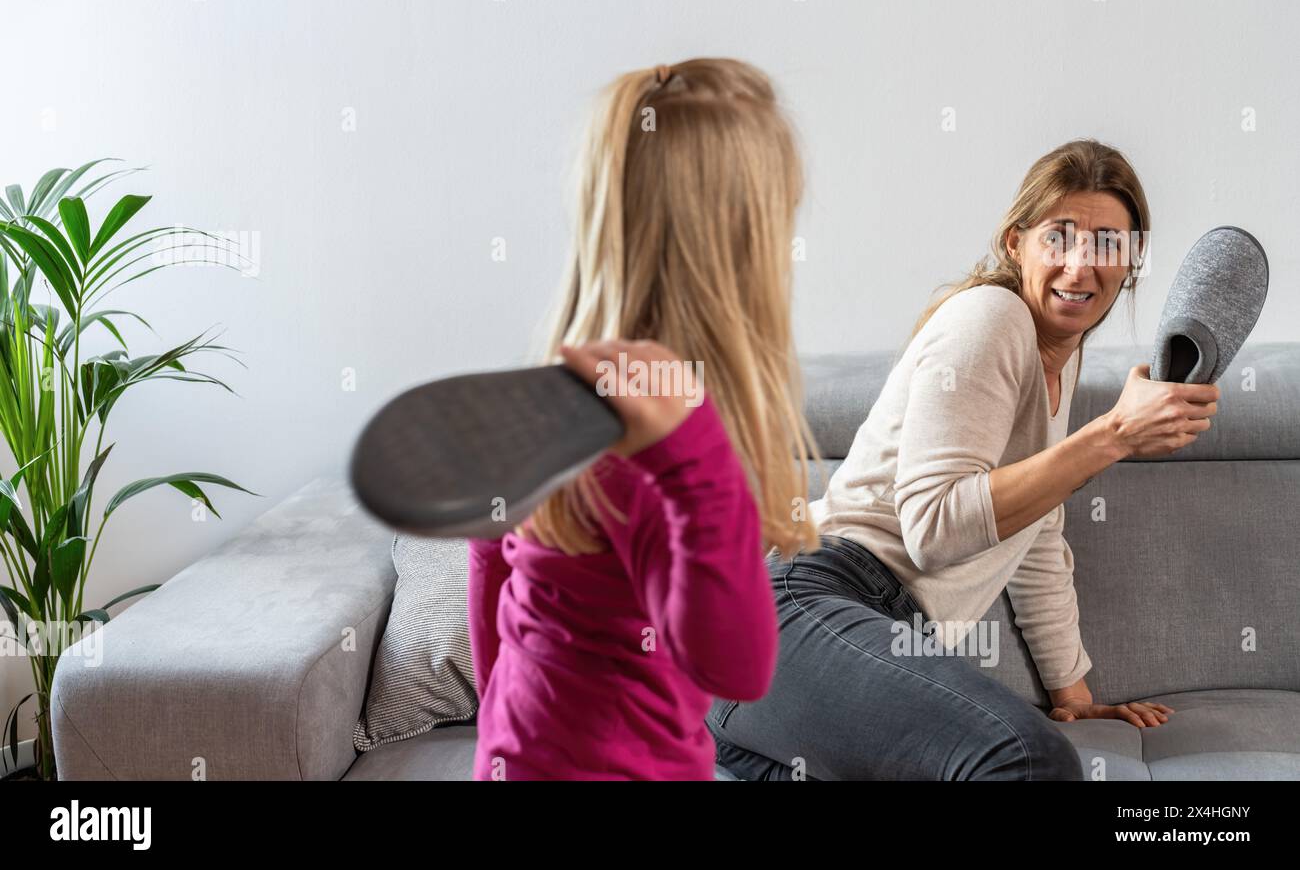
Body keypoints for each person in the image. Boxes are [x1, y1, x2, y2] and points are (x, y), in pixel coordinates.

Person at [708, 139, 1219, 780]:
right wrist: (1113, 434)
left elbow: (1035, 539)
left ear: (1133, 261)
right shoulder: (993, 317)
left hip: (806, 686)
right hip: (802, 607)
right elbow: (932, 528)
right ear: (1016, 243)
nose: (1080, 266)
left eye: (1109, 244)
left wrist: (1076, 699)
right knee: (1026, 760)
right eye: (1058, 237)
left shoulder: (1060, 359)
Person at [466, 59, 821, 780]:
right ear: (741, 240)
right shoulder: (661, 442)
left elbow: (491, 568)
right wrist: (700, 464)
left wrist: (500, 731)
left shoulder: (556, 397)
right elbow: (738, 667)